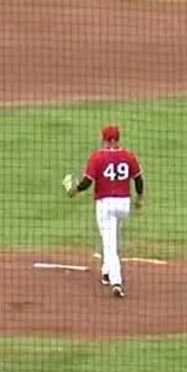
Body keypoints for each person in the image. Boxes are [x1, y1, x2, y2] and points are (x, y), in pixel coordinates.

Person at [63, 125, 145, 299]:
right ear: (118, 139)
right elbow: (138, 179)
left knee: (109, 244)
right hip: (124, 204)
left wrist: (74, 190)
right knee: (113, 236)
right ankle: (106, 271)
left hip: (105, 204)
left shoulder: (98, 157)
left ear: (104, 139)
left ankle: (116, 282)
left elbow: (87, 181)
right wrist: (140, 198)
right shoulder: (128, 156)